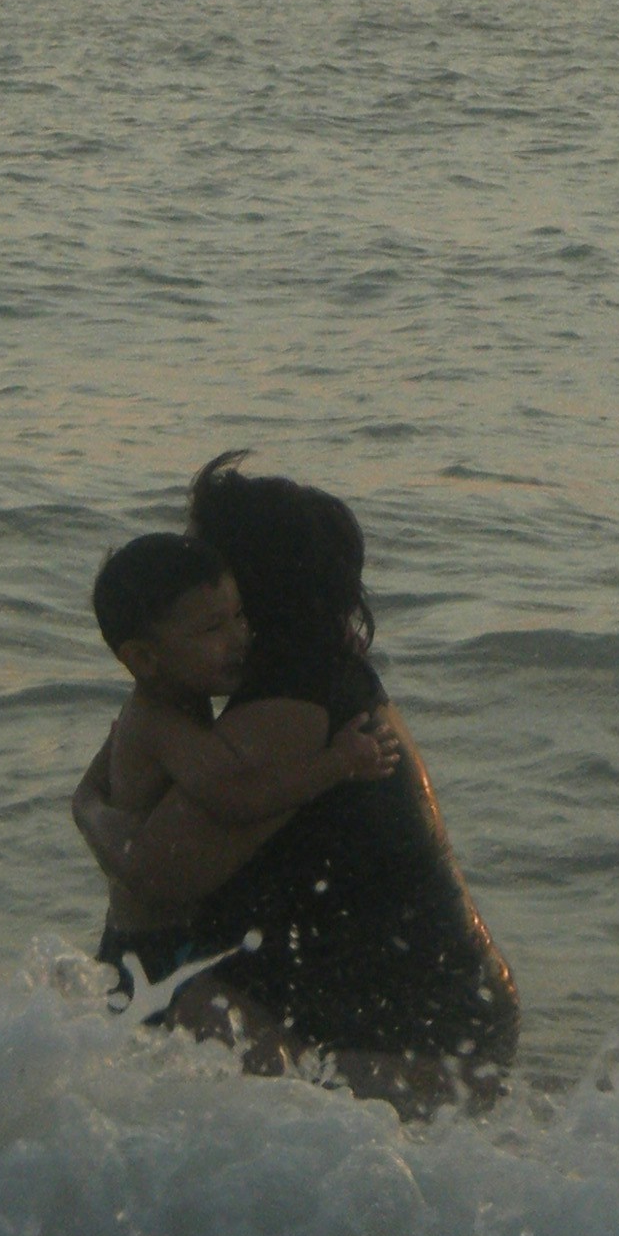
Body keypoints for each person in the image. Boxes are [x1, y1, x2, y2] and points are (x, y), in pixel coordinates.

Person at [77, 457, 518, 1111]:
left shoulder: (294, 713)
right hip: (427, 1028)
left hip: (418, 1044)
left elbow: (155, 873)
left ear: (248, 587)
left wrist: (88, 813)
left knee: (176, 994)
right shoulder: (309, 684)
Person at [79, 529, 399, 1015]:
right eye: (212, 630)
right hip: (153, 952)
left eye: (240, 615)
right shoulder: (161, 722)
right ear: (144, 658)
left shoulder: (169, 702)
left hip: (154, 939)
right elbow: (234, 795)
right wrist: (339, 763)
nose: (239, 638)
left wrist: (326, 638)